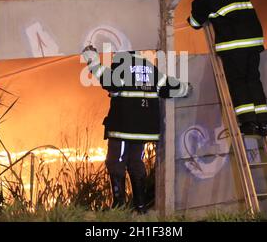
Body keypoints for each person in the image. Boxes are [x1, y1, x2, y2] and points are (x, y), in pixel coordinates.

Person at [82, 45, 191, 213]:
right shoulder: (149, 68)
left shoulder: (122, 66)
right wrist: (186, 88)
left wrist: (92, 61)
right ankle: (140, 208)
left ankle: (119, 207)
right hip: (143, 130)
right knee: (135, 163)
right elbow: (170, 87)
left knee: (115, 162)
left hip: (123, 129)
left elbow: (110, 83)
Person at [187, 0, 267, 137]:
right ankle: (262, 121)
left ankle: (248, 123)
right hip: (254, 41)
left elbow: (195, 22)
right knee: (253, 79)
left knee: (238, 81)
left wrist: (192, 15)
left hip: (235, 44)